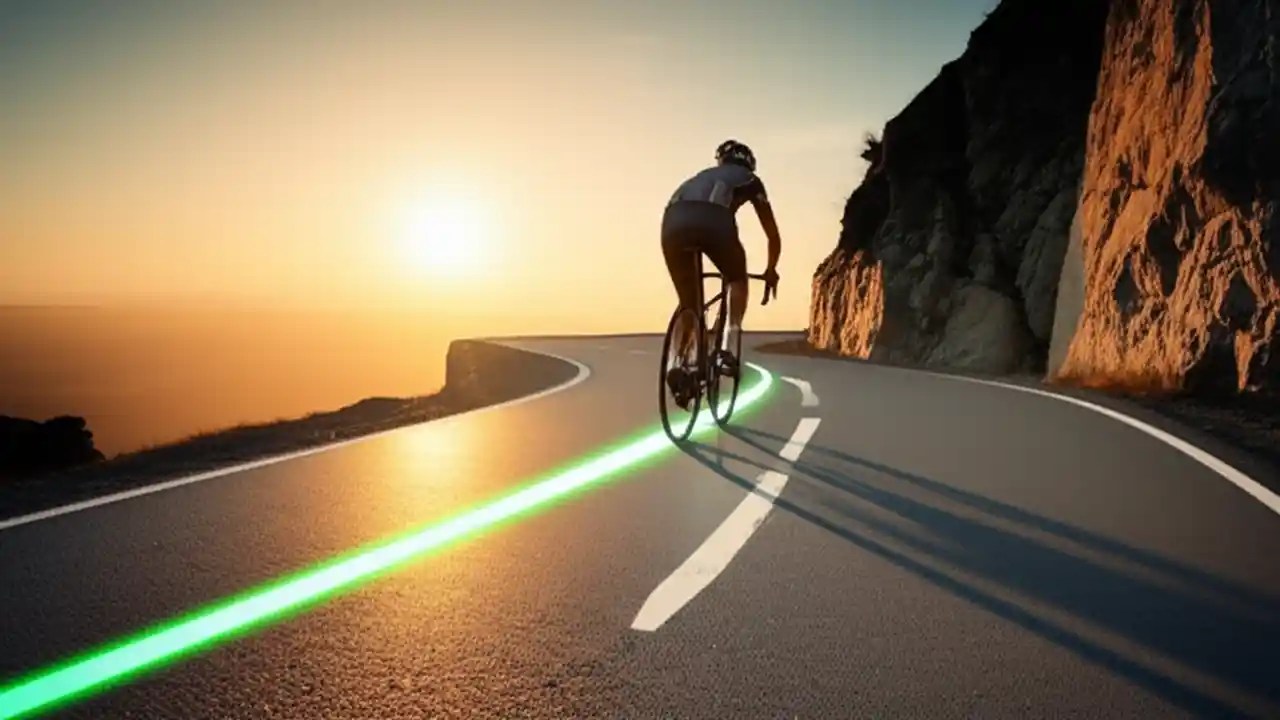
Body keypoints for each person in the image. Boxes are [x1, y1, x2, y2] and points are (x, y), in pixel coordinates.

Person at [661, 139, 782, 407]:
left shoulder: (700, 177)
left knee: (689, 302)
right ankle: (726, 348)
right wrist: (771, 268)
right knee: (737, 279)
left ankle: (677, 362)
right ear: (749, 163)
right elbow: (772, 233)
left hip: (672, 221)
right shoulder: (750, 179)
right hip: (714, 221)